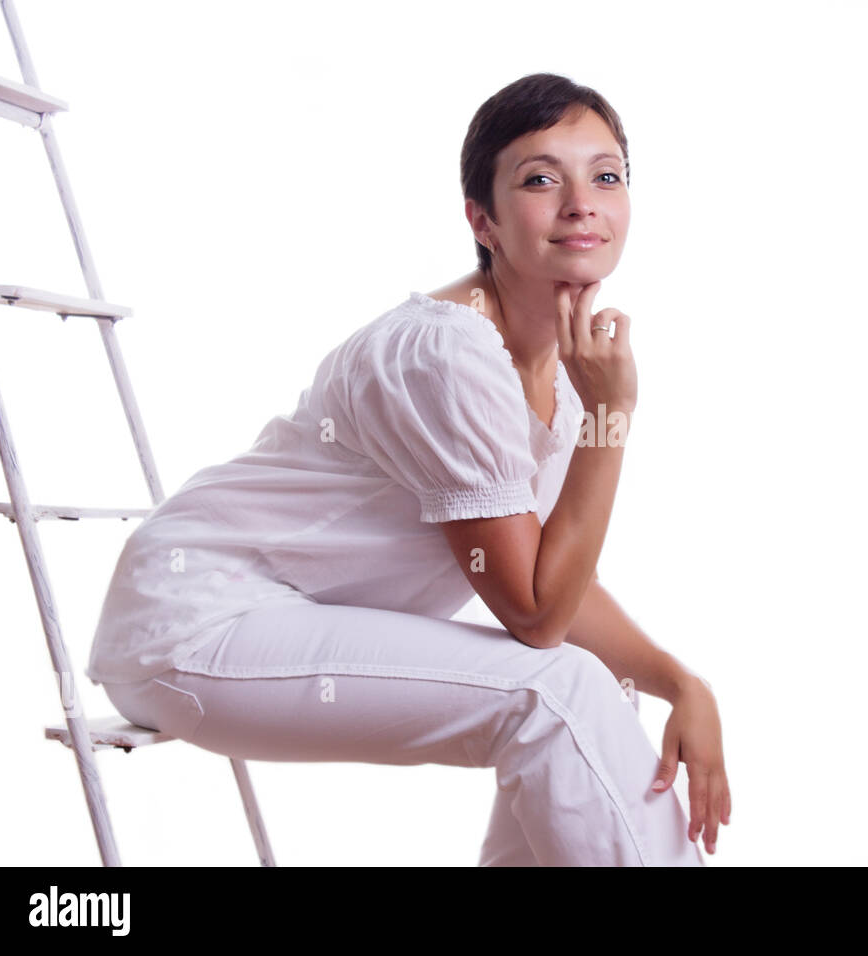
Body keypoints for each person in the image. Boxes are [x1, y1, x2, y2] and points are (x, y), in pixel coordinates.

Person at [86, 72, 730, 866]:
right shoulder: (449, 352)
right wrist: (611, 420)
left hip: (268, 616)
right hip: (198, 623)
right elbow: (535, 614)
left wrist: (680, 681)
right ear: (482, 221)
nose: (580, 202)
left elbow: (545, 573)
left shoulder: (566, 366)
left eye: (606, 176)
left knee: (588, 689)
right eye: (539, 179)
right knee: (557, 692)